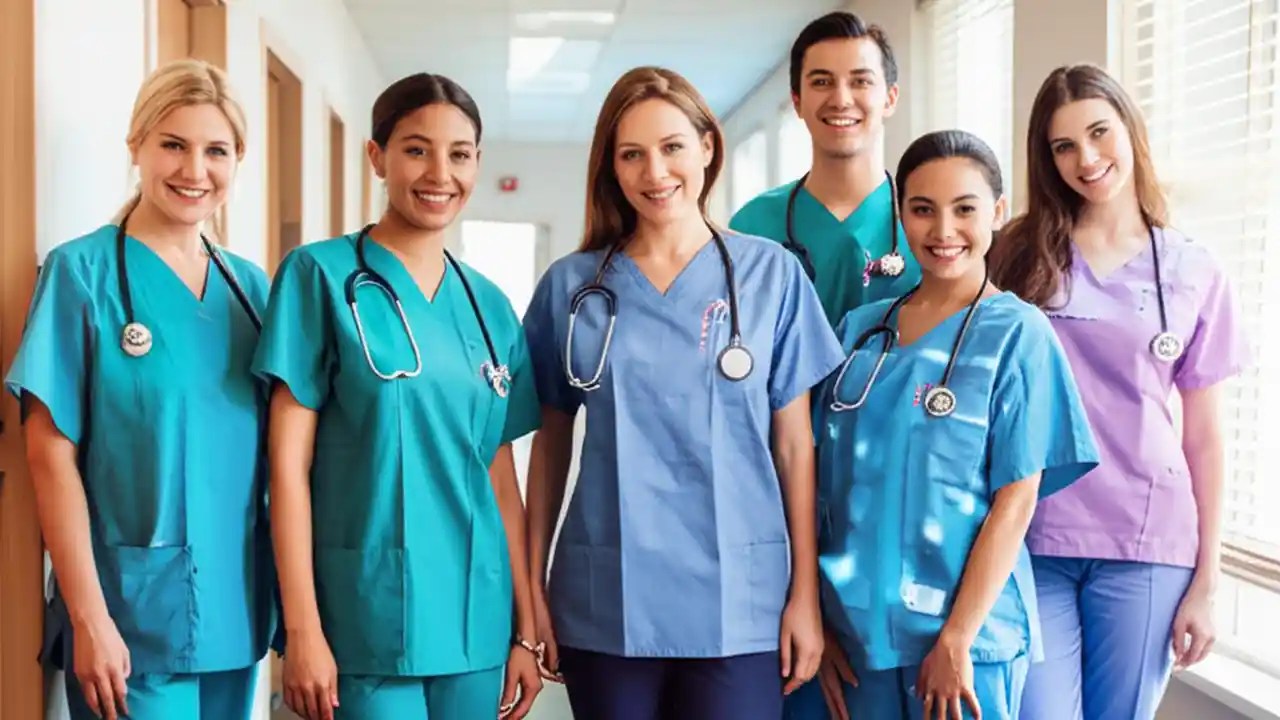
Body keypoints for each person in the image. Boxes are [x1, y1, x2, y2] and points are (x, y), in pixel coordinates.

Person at [521, 66, 846, 719]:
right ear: (610, 168)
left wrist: (804, 595)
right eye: (631, 154)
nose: (655, 171)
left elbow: (794, 446)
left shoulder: (770, 275)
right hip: (608, 598)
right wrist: (532, 591)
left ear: (707, 147)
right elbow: (548, 449)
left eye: (672, 146)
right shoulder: (573, 287)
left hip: (741, 601)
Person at [252, 73, 543, 720]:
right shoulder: (319, 276)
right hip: (365, 615)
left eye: (460, 154)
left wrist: (524, 627)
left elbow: (500, 479)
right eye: (416, 149)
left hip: (476, 614)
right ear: (377, 156)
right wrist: (301, 631)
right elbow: (287, 469)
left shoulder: (489, 305)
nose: (440, 172)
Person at [4, 59, 274, 720]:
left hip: (237, 616)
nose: (194, 170)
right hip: (126, 621)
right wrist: (89, 618)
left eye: (216, 150)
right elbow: (48, 454)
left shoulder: (253, 290)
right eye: (173, 145)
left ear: (238, 160)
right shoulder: (83, 273)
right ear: (137, 147)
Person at [809, 130, 1100, 720]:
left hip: (966, 641)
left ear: (996, 212)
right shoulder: (860, 331)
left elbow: (1016, 500)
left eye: (965, 209)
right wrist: (819, 618)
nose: (943, 232)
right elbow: (815, 480)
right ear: (901, 216)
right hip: (853, 632)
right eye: (923, 210)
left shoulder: (1018, 335)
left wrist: (958, 637)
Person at [990, 64, 1251, 720]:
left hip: (1148, 542)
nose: (1087, 158)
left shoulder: (1192, 267)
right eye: (1063, 146)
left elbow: (1204, 435)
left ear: (1130, 131)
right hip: (1032, 534)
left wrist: (1207, 582)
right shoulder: (1015, 255)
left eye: (1099, 133)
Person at [730, 11, 921, 327]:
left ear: (890, 98)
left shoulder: (928, 223)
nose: (841, 99)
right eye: (821, 82)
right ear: (797, 101)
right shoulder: (751, 226)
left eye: (860, 81)